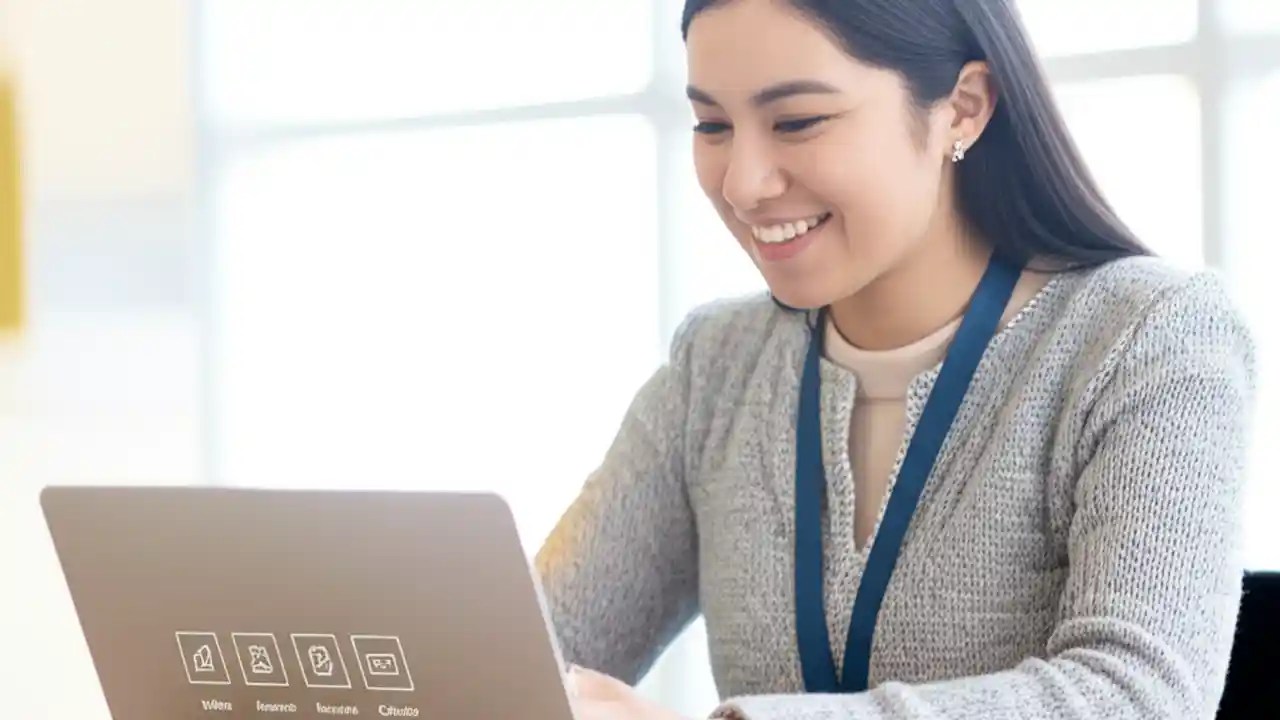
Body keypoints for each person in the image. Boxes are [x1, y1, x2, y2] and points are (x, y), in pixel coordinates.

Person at [535, 1, 1257, 718]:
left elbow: (1138, 698)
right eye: (713, 126)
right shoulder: (718, 366)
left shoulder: (1147, 336)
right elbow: (533, 645)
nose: (741, 183)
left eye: (796, 121)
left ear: (964, 108)